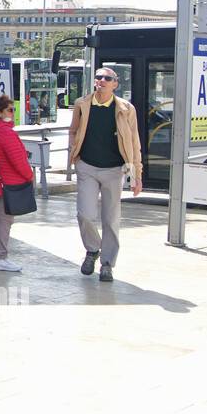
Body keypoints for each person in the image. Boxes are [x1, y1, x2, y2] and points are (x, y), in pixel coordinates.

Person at [69, 65, 143, 281]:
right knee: (85, 213)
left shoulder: (126, 109)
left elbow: (134, 142)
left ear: (115, 84)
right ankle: (92, 250)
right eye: (98, 77)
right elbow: (73, 130)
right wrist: (74, 155)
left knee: (111, 219)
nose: (101, 81)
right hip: (87, 166)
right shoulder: (82, 104)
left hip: (114, 169)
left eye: (106, 78)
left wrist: (136, 175)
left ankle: (107, 263)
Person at [0, 95, 30, 273]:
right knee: (5, 219)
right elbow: (18, 160)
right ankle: (0, 256)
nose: (13, 112)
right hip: (7, 182)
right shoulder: (5, 132)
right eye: (10, 109)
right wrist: (29, 175)